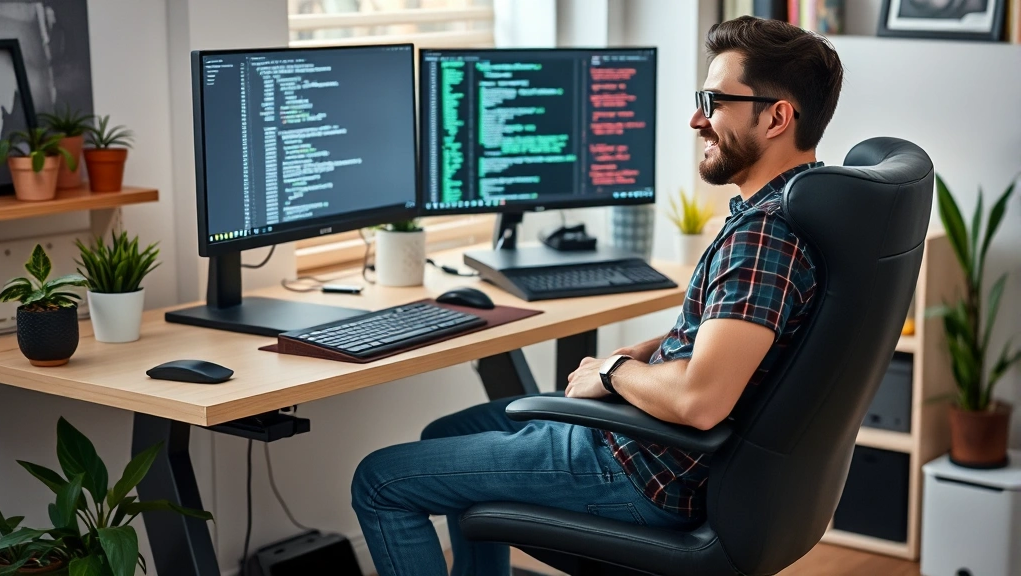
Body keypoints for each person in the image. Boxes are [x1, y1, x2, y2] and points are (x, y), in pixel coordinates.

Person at [351, 16, 845, 576]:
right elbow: (745, 333)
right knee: (448, 434)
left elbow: (699, 402)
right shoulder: (808, 211)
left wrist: (611, 372)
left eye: (713, 101)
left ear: (777, 117)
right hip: (663, 451)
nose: (695, 119)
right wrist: (648, 352)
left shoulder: (762, 237)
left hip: (644, 469)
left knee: (380, 480)